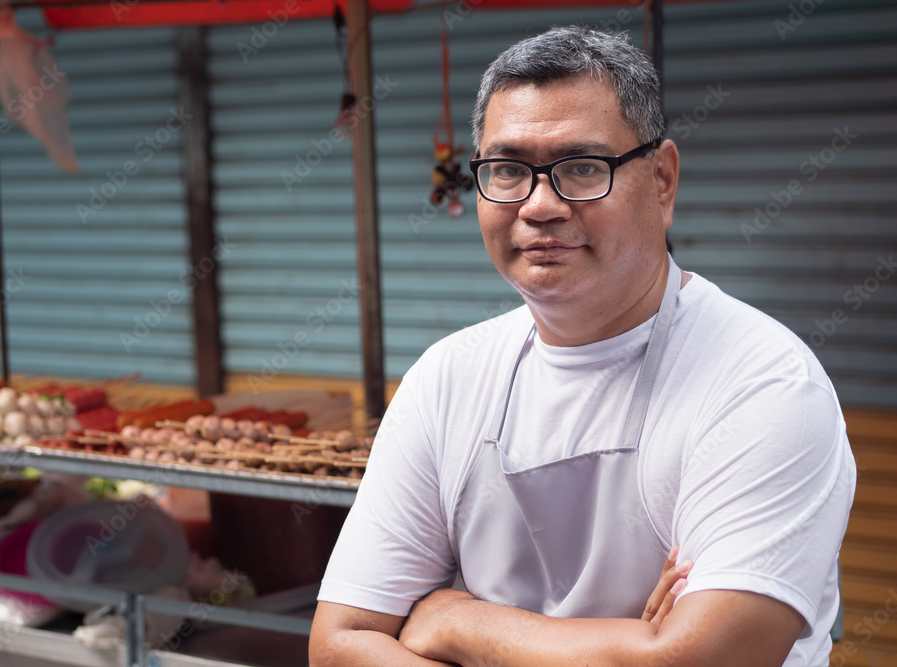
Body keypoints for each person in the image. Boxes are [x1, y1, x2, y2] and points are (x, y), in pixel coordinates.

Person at [310, 26, 856, 666]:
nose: (539, 205)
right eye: (509, 170)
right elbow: (339, 645)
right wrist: (634, 645)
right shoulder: (447, 380)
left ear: (661, 181)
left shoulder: (762, 385)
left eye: (581, 168)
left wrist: (457, 621)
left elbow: (699, 662)